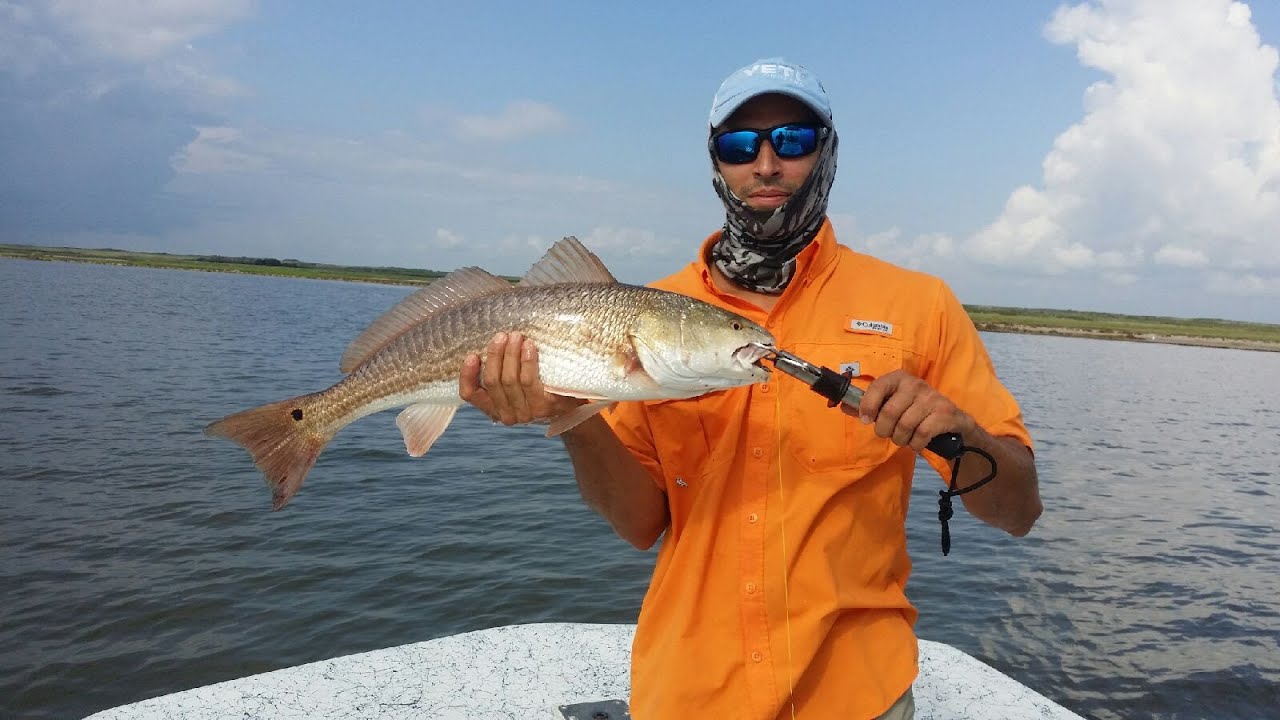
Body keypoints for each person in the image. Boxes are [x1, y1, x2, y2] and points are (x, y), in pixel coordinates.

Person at [459, 57, 1042, 720]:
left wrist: (958, 433)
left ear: (827, 151)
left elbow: (1018, 511)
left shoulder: (919, 305)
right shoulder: (645, 312)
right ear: (716, 161)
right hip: (688, 693)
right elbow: (638, 523)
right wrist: (572, 415)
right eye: (740, 144)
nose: (766, 164)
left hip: (859, 696)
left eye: (792, 139)